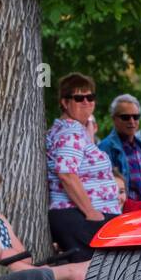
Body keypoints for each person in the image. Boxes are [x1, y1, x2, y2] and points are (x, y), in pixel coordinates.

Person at [45, 73, 121, 258]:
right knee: (101, 279)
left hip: (84, 215)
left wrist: (89, 134)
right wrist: (91, 212)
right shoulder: (70, 132)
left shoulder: (74, 130)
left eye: (90, 97)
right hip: (81, 215)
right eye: (79, 98)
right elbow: (66, 174)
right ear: (64, 102)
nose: (86, 102)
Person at [98, 93, 141, 201]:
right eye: (125, 117)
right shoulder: (106, 148)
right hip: (123, 212)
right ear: (114, 119)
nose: (132, 121)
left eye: (136, 117)